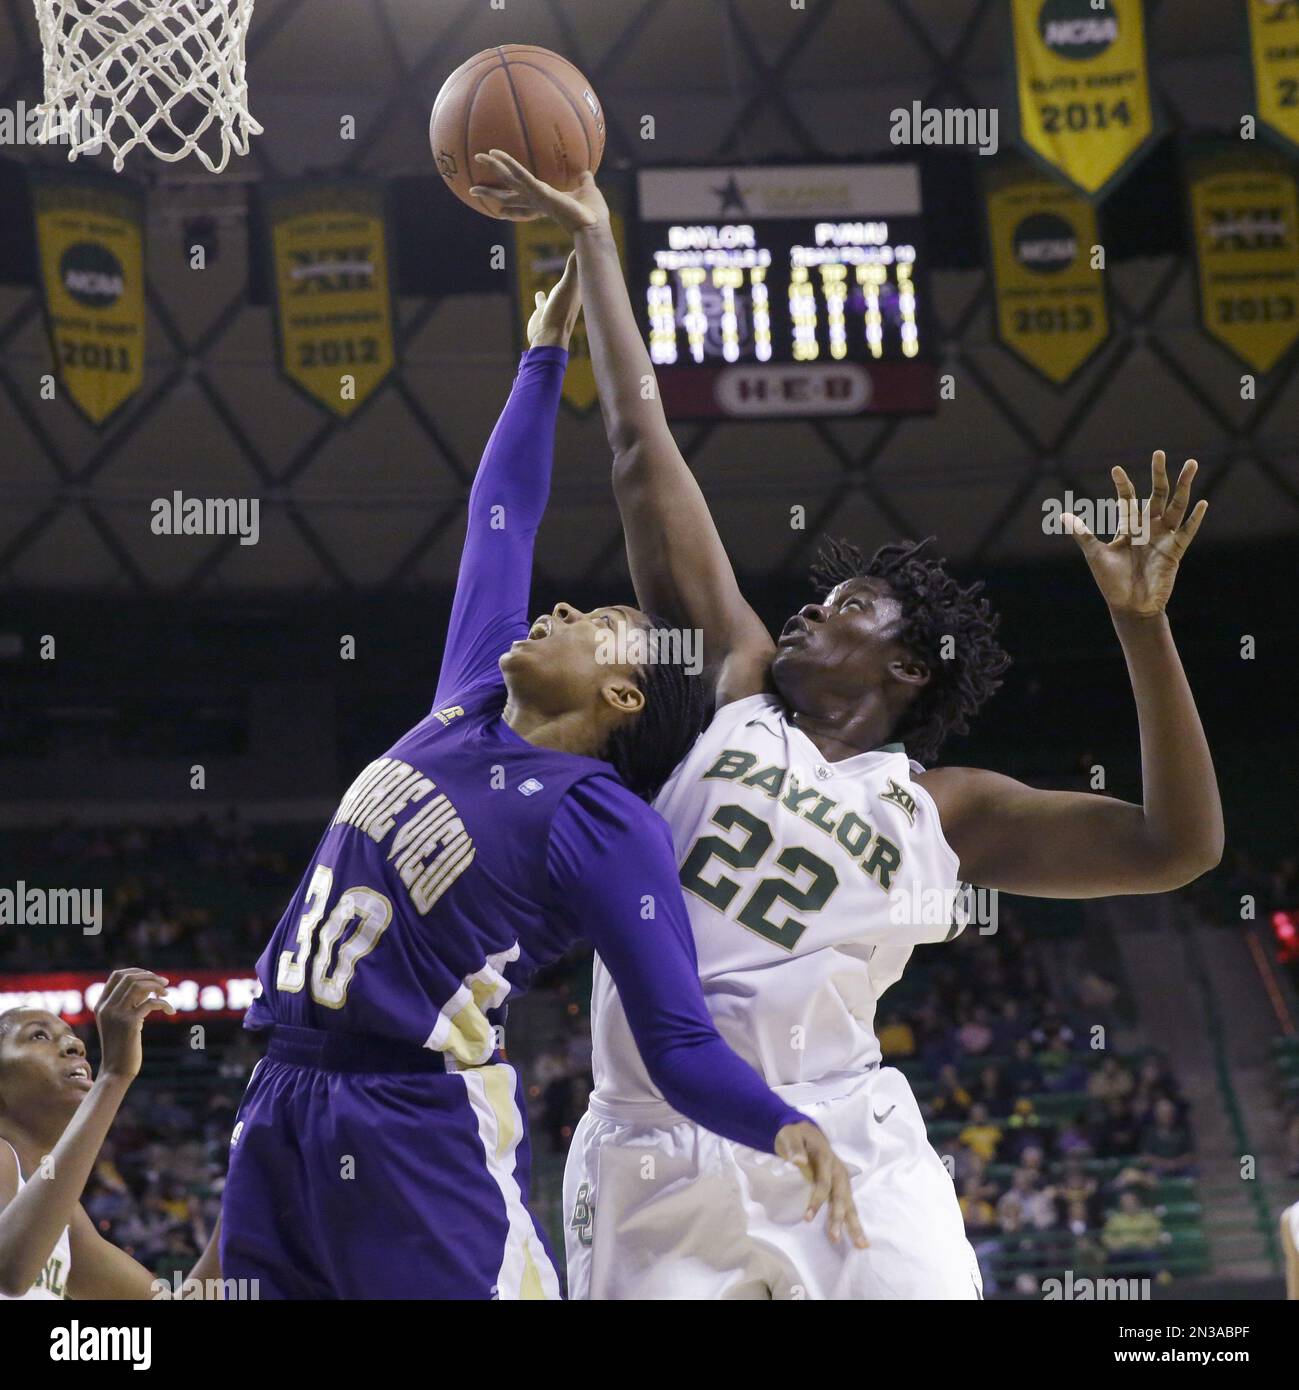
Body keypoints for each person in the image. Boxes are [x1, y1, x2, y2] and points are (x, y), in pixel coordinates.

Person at [471, 152, 1223, 1301]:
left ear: (907, 667)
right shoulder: (735, 683)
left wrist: (1143, 629)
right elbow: (640, 453)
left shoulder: (943, 807)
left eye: (851, 605)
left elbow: (1179, 845)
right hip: (660, 1138)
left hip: (852, 1135)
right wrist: (598, 245)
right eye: (822, 594)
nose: (815, 604)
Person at [218, 261, 862, 1302]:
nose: (560, 611)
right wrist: (542, 354)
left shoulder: (599, 820)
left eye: (600, 624)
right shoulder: (470, 695)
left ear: (623, 699)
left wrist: (784, 1125)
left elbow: (679, 1036)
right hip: (283, 1097)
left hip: (412, 1126)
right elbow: (499, 518)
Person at [0, 970, 221, 1299]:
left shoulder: (66, 1218)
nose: (75, 1045)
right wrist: (114, 1075)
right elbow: (10, 1272)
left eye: (73, 1037)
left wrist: (244, 1200)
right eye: (39, 1036)